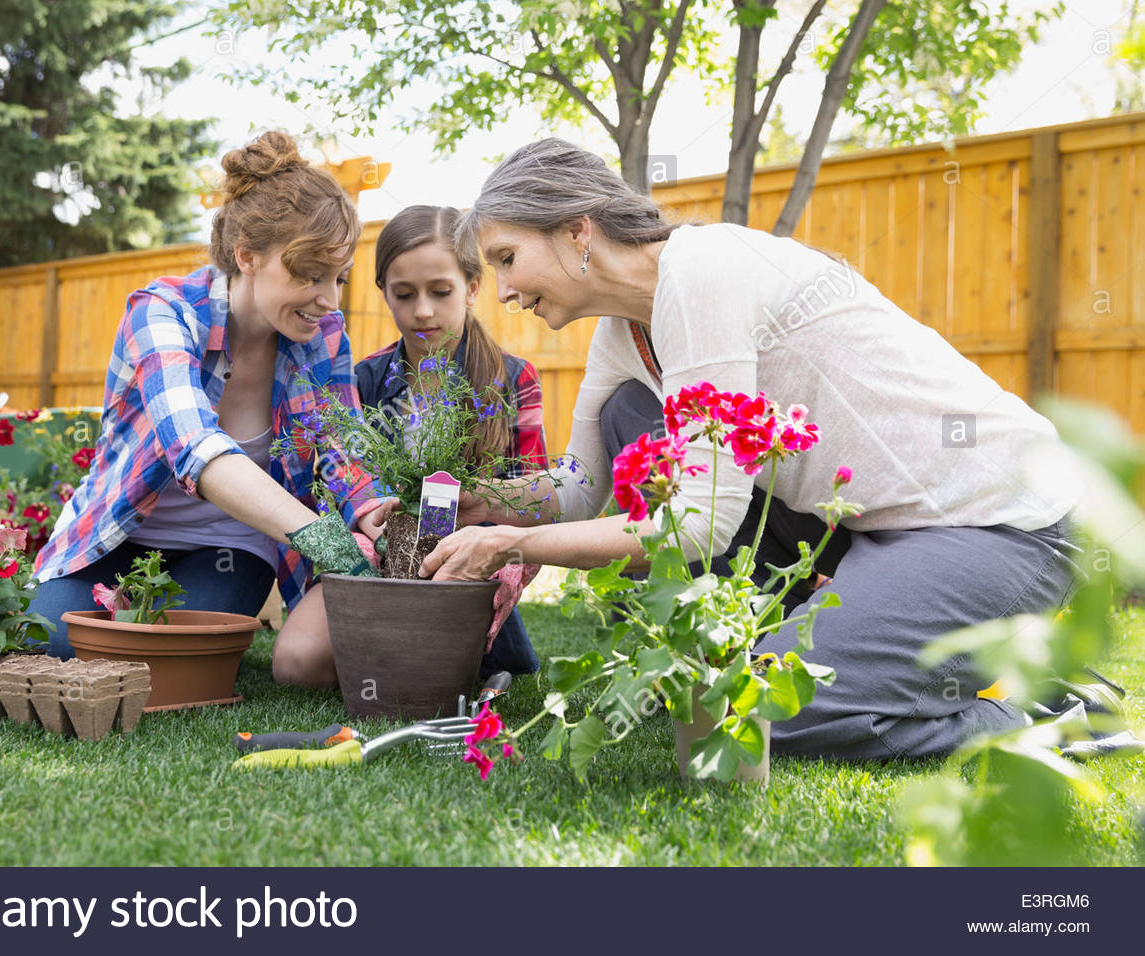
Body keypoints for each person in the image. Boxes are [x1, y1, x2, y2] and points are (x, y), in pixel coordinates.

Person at [418, 137, 1086, 761]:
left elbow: (704, 520)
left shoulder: (705, 274)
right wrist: (490, 503)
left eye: (507, 259)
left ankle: (1038, 717)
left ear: (576, 230)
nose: (502, 292)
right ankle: (838, 650)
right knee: (631, 413)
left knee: (772, 712)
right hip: (859, 521)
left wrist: (512, 545)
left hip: (994, 522)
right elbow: (579, 485)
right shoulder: (623, 333)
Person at [31, 130, 381, 657]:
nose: (329, 300)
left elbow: (341, 452)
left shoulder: (324, 339)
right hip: (120, 536)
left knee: (172, 654)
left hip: (229, 548)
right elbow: (196, 450)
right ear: (247, 257)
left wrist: (369, 509)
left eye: (339, 279)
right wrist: (322, 539)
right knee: (54, 647)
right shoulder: (162, 312)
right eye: (311, 276)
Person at [270, 205, 550, 685]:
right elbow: (341, 484)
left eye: (441, 292)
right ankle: (426, 650)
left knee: (421, 664)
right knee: (298, 665)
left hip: (473, 556)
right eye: (404, 294)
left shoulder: (512, 378)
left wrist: (491, 545)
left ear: (473, 287)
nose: (423, 310)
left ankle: (453, 650)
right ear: (385, 294)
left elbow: (539, 496)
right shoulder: (364, 380)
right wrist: (373, 533)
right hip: (381, 553)